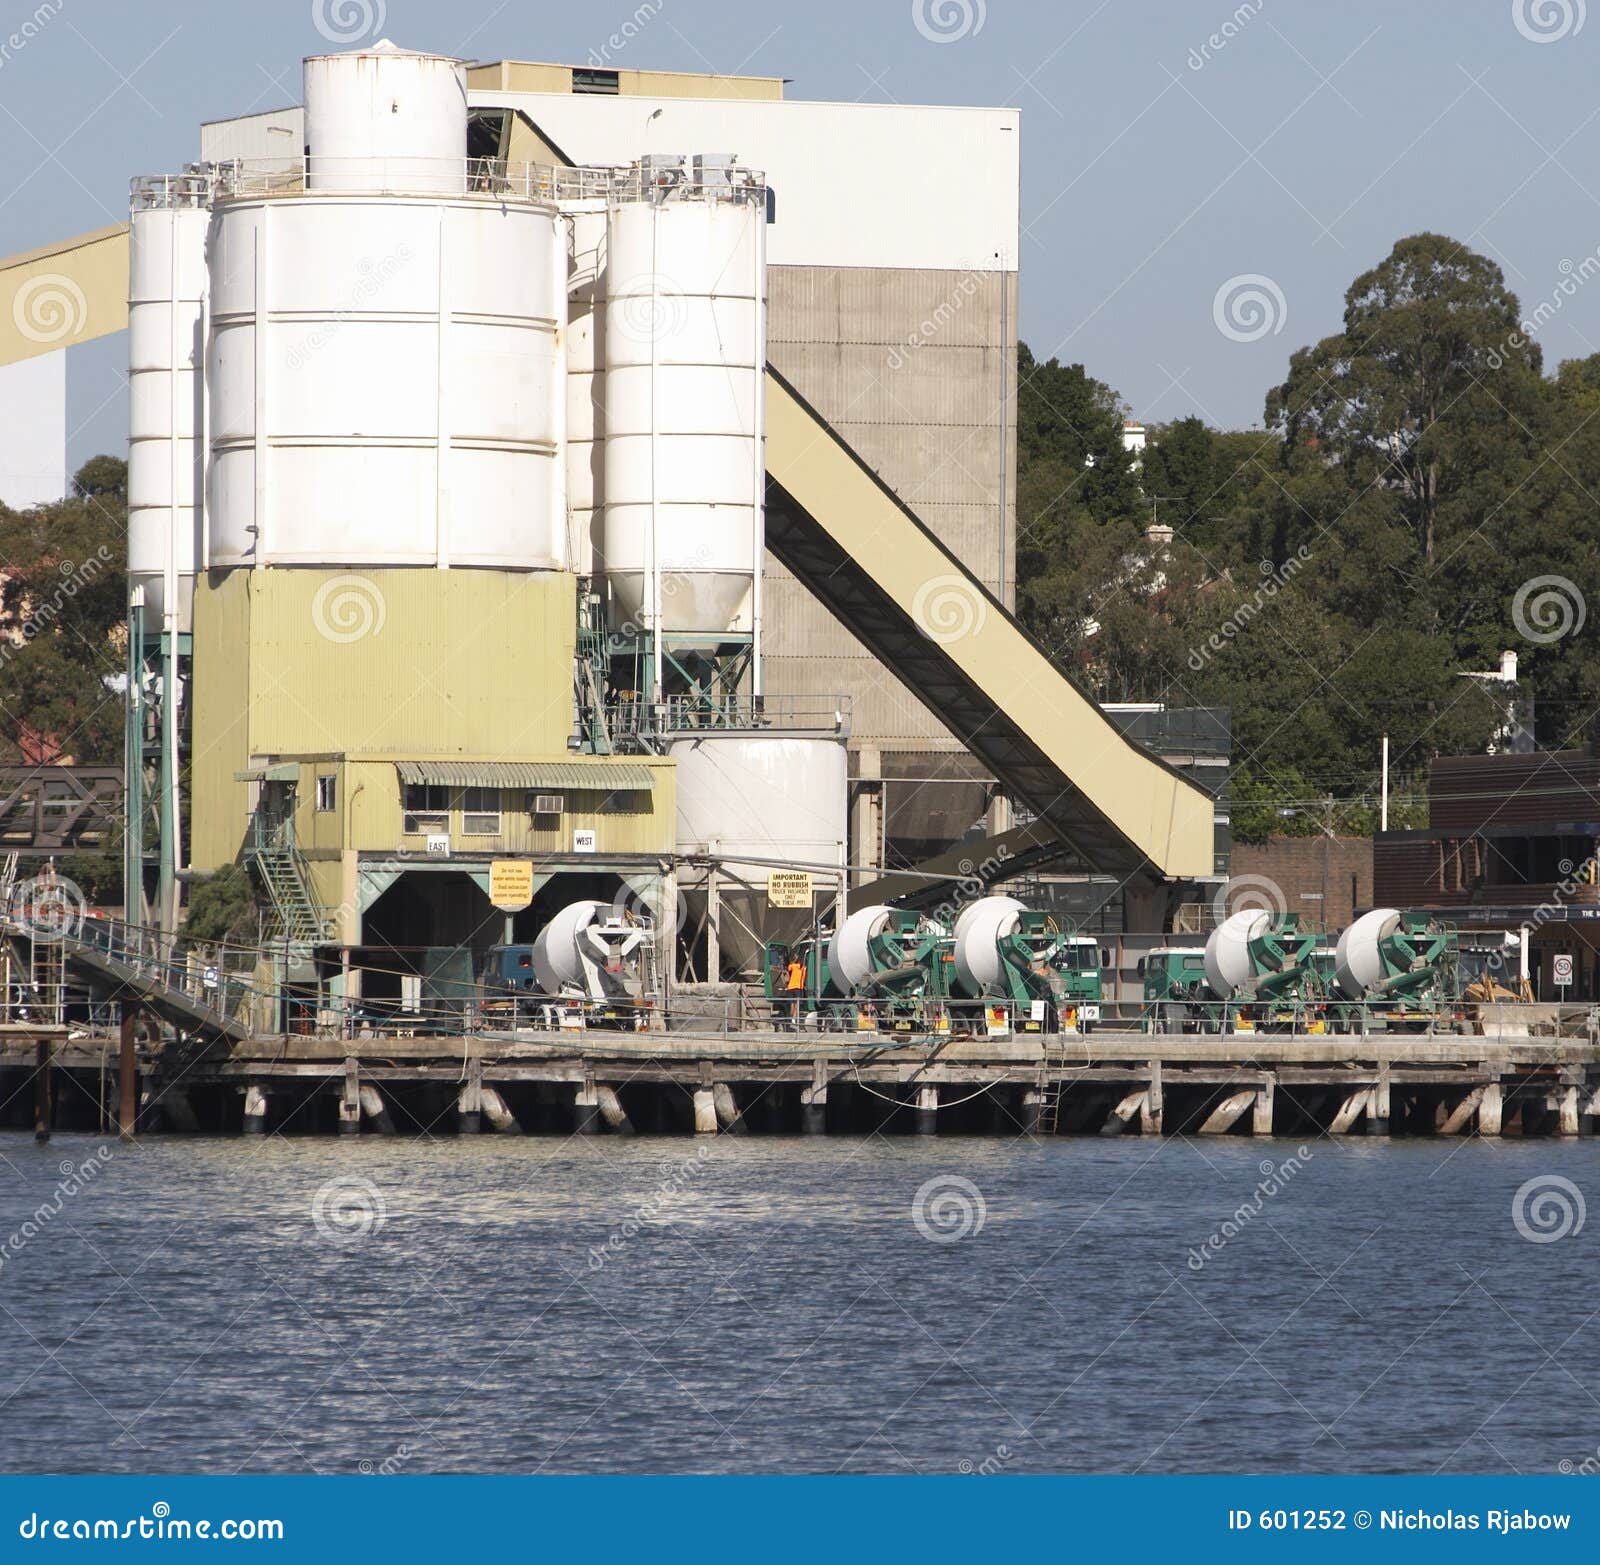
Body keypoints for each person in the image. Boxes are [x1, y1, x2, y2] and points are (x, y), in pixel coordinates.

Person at [783, 955, 807, 1029]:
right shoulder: (803, 967)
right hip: (798, 988)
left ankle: (792, 1019)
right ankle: (793, 1019)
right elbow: (804, 977)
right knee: (796, 1004)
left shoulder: (793, 966)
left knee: (793, 1004)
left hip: (792, 987)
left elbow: (787, 969)